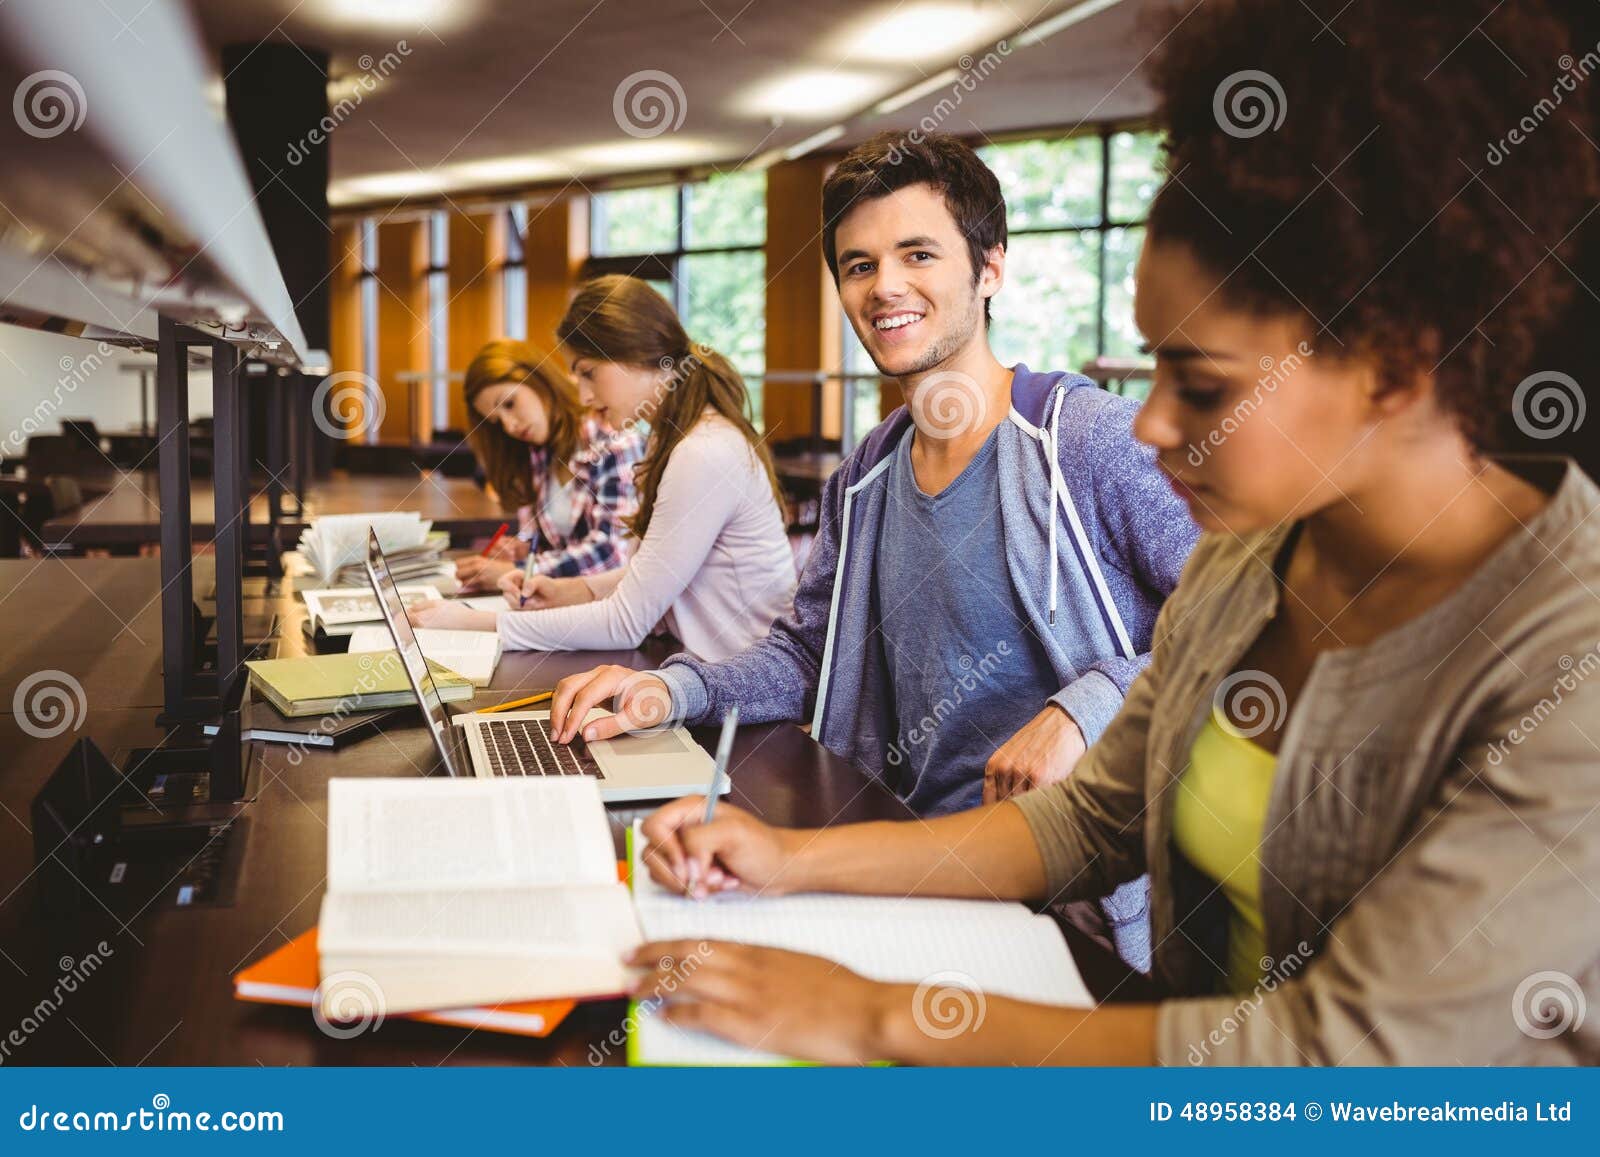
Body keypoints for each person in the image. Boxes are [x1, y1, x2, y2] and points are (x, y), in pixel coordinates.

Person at [624, 0, 1600, 1065]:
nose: (1149, 423)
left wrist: (871, 1013)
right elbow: (1085, 822)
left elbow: (1342, 1060)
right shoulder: (1247, 564)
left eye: (1198, 382)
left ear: (1396, 362)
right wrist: (782, 859)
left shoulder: (1562, 656)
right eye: (1151, 366)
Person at [552, 133, 1198, 969]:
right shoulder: (867, 474)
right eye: (858, 265)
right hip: (906, 860)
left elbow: (1253, 617)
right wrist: (670, 690)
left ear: (990, 268)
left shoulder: (1089, 439)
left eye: (917, 253)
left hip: (1069, 910)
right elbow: (806, 656)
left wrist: (1091, 702)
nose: (885, 285)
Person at [410, 276, 796, 663]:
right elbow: (652, 575)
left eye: (588, 372)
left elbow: (625, 622)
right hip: (705, 671)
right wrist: (572, 591)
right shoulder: (675, 439)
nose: (584, 396)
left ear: (635, 350)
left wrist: (474, 623)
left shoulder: (703, 451)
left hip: (745, 690)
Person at [451, 339, 643, 594]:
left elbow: (612, 554)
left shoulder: (615, 441)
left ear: (538, 379)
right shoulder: (540, 453)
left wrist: (524, 568)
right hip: (567, 607)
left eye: (509, 404)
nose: (510, 426)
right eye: (497, 422)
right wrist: (525, 549)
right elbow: (567, 543)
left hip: (618, 616)